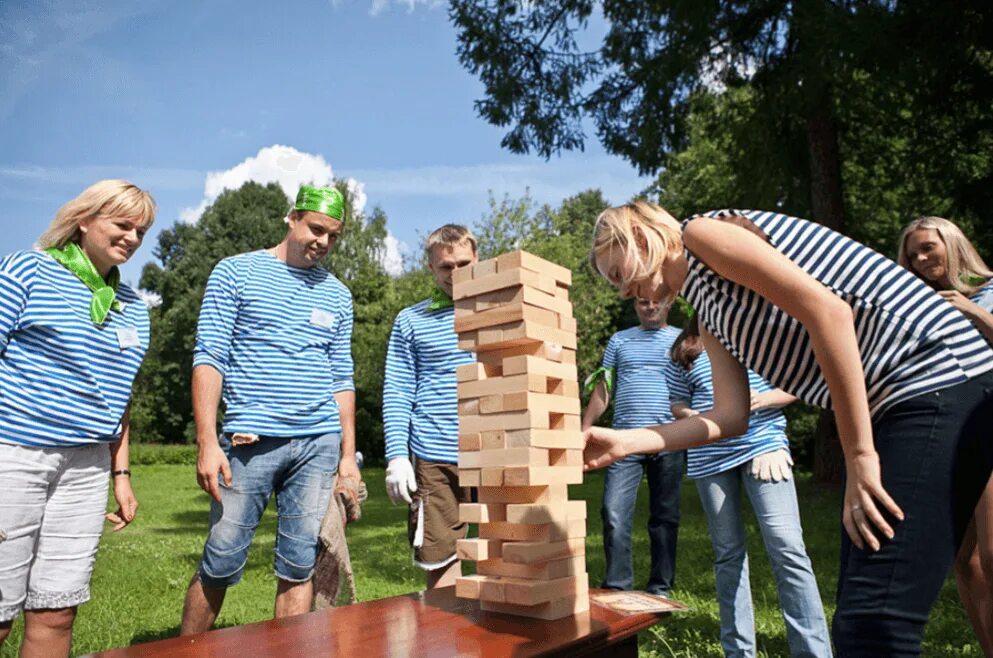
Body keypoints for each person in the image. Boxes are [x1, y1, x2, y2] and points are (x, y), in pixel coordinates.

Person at [584, 202, 993, 656]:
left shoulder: (703, 235)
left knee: (873, 624)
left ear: (640, 238)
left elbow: (830, 312)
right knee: (867, 616)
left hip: (939, 377)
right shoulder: (710, 312)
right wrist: (623, 442)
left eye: (618, 273)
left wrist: (860, 456)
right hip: (910, 401)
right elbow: (729, 416)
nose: (622, 291)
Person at [180, 185, 361, 634]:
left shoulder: (338, 295)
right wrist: (206, 442)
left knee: (298, 564)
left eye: (333, 236)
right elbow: (209, 358)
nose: (323, 241)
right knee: (220, 559)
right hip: (249, 443)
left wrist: (346, 459)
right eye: (316, 228)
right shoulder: (235, 272)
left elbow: (342, 380)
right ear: (292, 218)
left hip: (317, 444)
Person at [0, 180, 156, 658]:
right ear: (84, 220)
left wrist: (121, 475)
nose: (132, 237)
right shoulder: (27, 269)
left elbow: (120, 397)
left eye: (141, 230)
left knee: (57, 611)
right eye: (122, 224)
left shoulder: (133, 307)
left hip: (86, 466)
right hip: (16, 455)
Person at [665, 315, 831, 657]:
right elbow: (676, 401)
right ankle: (738, 651)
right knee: (728, 553)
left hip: (762, 446)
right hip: (709, 454)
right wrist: (690, 415)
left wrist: (765, 400)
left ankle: (814, 652)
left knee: (786, 546)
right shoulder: (685, 346)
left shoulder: (753, 328)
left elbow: (801, 383)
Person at [898, 216, 993, 656]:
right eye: (912, 254)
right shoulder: (920, 303)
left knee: (992, 555)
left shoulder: (989, 292)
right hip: (948, 432)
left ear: (952, 244)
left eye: (927, 248)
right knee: (964, 557)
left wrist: (972, 310)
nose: (920, 259)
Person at [382, 224, 478, 589]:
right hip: (435, 456)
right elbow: (398, 389)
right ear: (431, 268)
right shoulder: (412, 320)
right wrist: (396, 456)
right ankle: (449, 639)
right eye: (445, 267)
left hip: (495, 450)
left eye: (463, 264)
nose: (455, 274)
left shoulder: (502, 312)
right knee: (441, 557)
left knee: (510, 551)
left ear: (478, 259)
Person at [581, 297, 685, 597]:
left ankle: (660, 588)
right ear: (635, 305)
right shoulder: (620, 340)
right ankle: (617, 585)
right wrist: (586, 427)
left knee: (665, 516)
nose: (651, 307)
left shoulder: (682, 340)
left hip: (669, 438)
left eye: (656, 302)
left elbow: (696, 383)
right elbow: (604, 386)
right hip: (624, 442)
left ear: (670, 302)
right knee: (613, 511)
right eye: (643, 302)